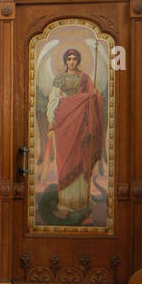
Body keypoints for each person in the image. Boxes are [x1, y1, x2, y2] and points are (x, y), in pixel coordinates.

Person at [45, 48, 104, 220]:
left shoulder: (85, 78)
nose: (72, 62)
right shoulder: (60, 79)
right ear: (65, 60)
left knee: (81, 157)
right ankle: (66, 203)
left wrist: (93, 97)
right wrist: (51, 120)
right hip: (64, 124)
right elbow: (53, 100)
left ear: (78, 61)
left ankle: (81, 201)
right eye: (69, 58)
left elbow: (95, 98)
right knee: (66, 162)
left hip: (82, 124)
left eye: (74, 59)